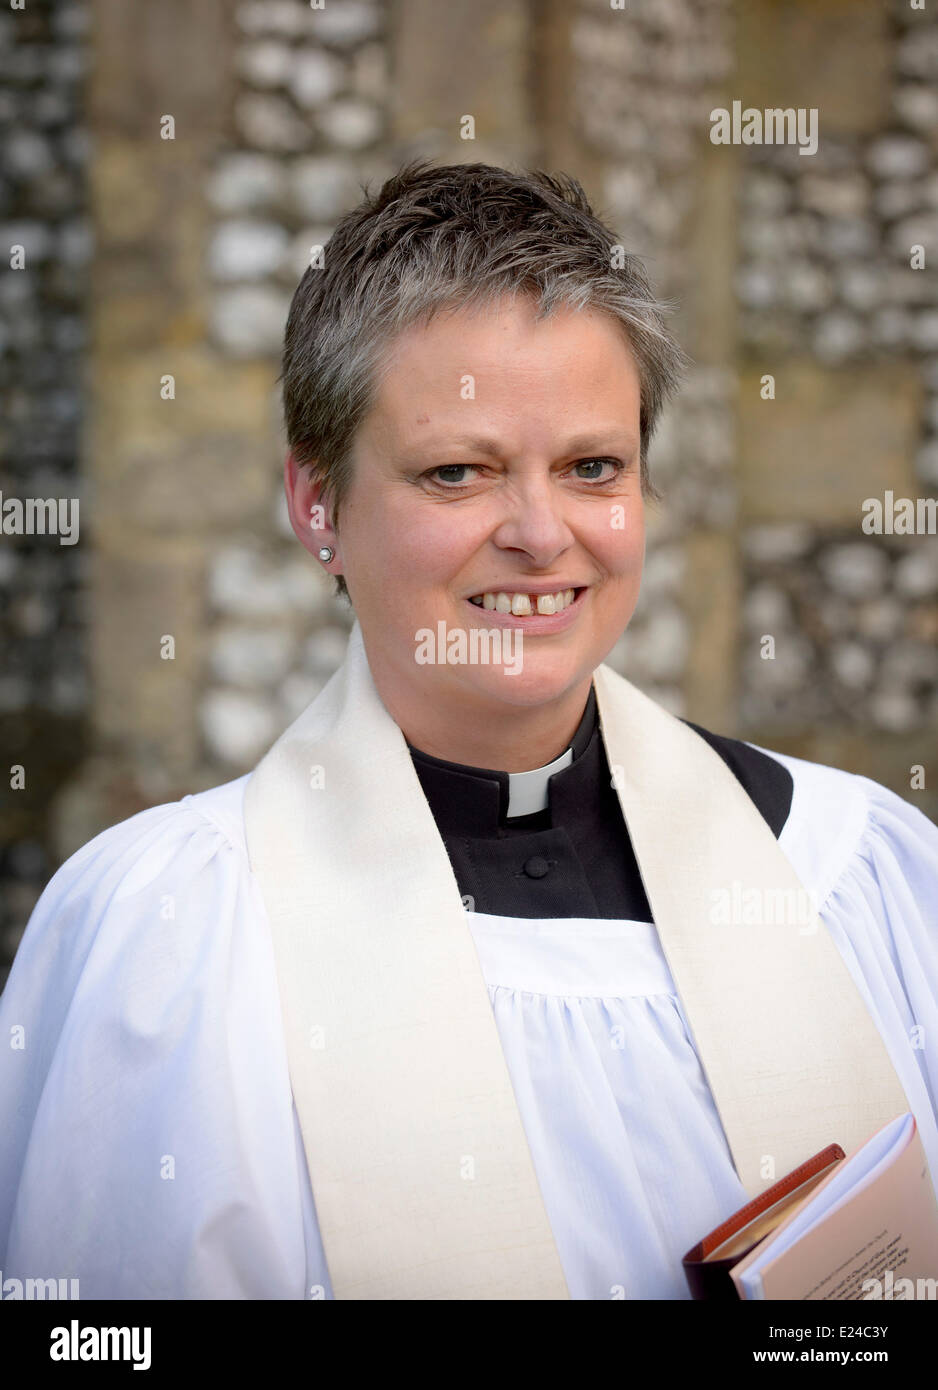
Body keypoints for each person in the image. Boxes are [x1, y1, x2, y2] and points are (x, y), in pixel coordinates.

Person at [2, 161, 937, 1301]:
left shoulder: (854, 872)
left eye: (593, 467)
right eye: (458, 472)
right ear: (316, 503)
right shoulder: (171, 942)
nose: (543, 535)